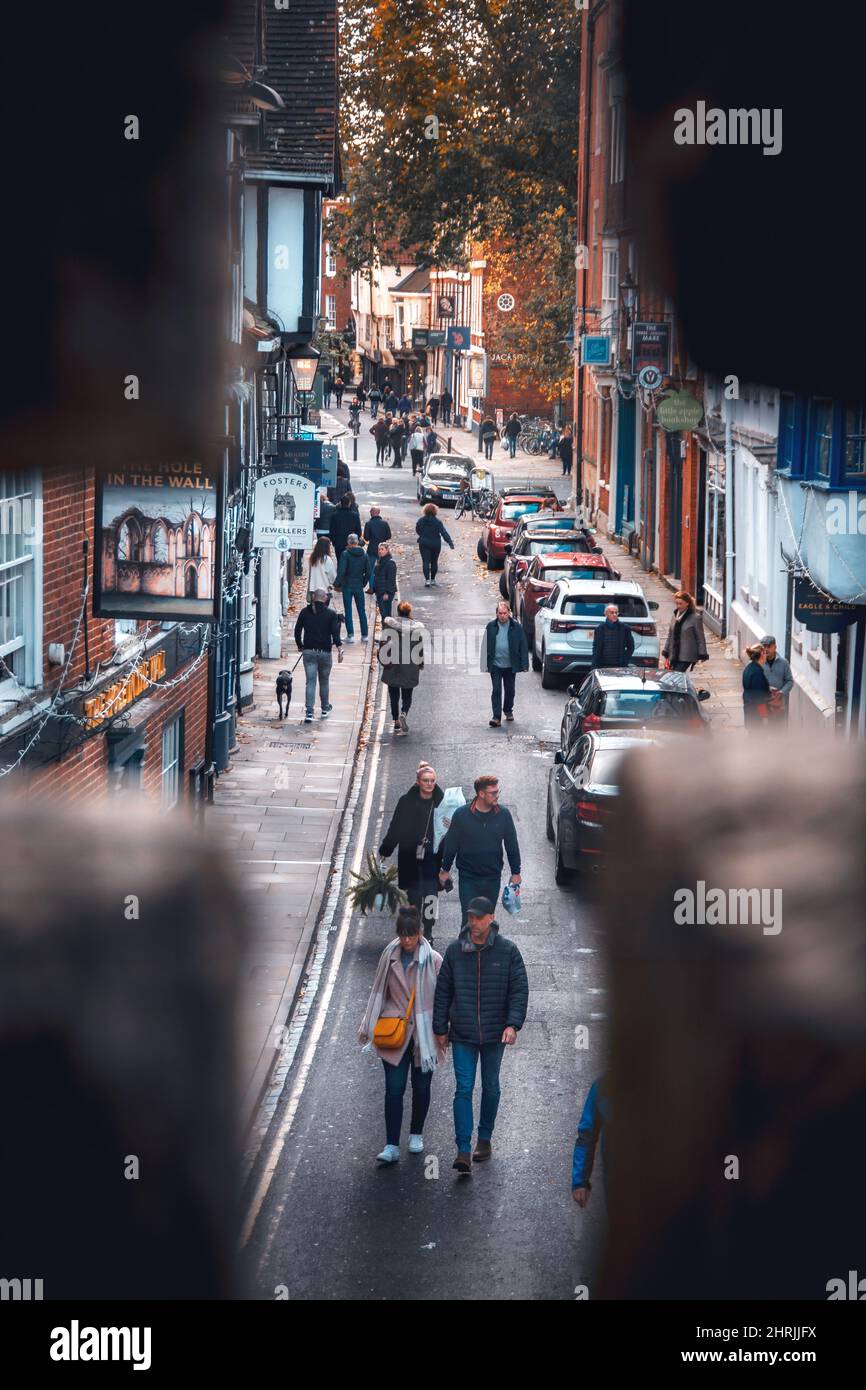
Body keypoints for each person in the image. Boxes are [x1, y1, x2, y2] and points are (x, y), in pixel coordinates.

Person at [432, 897, 529, 1174]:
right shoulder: (453, 952)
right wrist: (441, 1028)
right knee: (463, 1088)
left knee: (490, 1086)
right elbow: (443, 993)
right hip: (462, 1033)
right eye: (470, 917)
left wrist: (512, 1025)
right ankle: (463, 1149)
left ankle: (484, 1139)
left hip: (493, 1034)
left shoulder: (508, 951)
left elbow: (519, 990)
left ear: (491, 918)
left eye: (478, 917)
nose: (473, 922)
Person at [358, 905, 443, 1165]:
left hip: (423, 1036)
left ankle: (415, 1134)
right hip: (394, 1032)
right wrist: (370, 1023)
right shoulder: (388, 956)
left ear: (419, 932)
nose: (407, 940)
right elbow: (378, 992)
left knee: (421, 1086)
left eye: (411, 934)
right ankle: (391, 1144)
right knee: (394, 1089)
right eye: (403, 934)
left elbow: (443, 999)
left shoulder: (435, 960)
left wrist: (443, 1030)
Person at [439, 774, 521, 925]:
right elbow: (452, 844)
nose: (497, 796)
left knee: (487, 920)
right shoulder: (461, 815)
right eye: (493, 793)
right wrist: (445, 869)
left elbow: (511, 844)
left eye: (498, 791)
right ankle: (465, 947)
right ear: (481, 794)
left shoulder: (503, 815)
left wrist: (516, 872)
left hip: (492, 877)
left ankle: (485, 948)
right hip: (468, 878)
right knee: (469, 919)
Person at [379, 763, 444, 941]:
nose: (429, 784)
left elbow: (452, 830)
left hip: (433, 858)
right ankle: (414, 930)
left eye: (432, 781)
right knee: (414, 896)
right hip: (411, 858)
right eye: (425, 780)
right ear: (418, 782)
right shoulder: (406, 802)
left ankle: (429, 930)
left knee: (431, 896)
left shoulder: (442, 802)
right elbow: (396, 827)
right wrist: (386, 848)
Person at [293, 588, 344, 723]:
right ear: (325, 599)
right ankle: (325, 709)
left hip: (309, 651)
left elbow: (297, 630)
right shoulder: (331, 614)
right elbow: (335, 634)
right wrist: (339, 649)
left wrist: (300, 645)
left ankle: (309, 712)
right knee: (324, 681)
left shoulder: (304, 612)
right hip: (325, 653)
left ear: (313, 598)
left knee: (310, 682)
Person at [378, 600, 425, 735]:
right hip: (410, 666)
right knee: (407, 694)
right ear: (409, 612)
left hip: (392, 664)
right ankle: (404, 713)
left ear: (398, 611)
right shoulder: (416, 629)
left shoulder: (389, 625)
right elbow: (419, 649)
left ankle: (395, 721)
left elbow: (383, 643)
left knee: (393, 695)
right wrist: (420, 663)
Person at [484, 600, 529, 726]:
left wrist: (525, 664)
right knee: (496, 690)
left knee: (510, 690)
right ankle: (496, 717)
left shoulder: (516, 627)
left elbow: (523, 645)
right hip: (495, 665)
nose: (502, 616)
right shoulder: (490, 627)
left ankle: (508, 710)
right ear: (496, 614)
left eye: (505, 613)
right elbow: (485, 645)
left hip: (510, 665)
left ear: (509, 613)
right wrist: (484, 664)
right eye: (500, 613)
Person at [572, 1075, 608, 1208]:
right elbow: (587, 1135)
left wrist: (579, 1181)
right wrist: (580, 1181)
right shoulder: (604, 1086)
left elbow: (586, 1135)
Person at [334, 532, 373, 643]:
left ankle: (350, 635)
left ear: (348, 542)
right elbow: (369, 572)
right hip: (358, 585)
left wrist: (337, 583)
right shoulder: (364, 555)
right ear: (357, 542)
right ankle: (364, 635)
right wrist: (363, 583)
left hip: (347, 585)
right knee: (361, 610)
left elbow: (342, 571)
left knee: (348, 610)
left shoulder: (345, 554)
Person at [662, 590, 709, 672]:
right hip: (673, 654)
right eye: (677, 603)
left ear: (687, 603)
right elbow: (670, 636)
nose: (678, 606)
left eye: (680, 603)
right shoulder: (674, 617)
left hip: (687, 655)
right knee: (675, 677)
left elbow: (700, 638)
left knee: (677, 675)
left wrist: (702, 654)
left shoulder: (695, 618)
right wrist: (666, 651)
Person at [415, 502, 454, 587]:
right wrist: (450, 542)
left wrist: (422, 535)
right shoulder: (437, 522)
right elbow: (443, 532)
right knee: (434, 562)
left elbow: (417, 529)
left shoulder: (421, 521)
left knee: (425, 561)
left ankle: (427, 580)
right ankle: (433, 579)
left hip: (424, 542)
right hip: (435, 543)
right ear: (435, 511)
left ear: (425, 510)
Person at [760, 634, 794, 721]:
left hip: (778, 704)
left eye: (768, 646)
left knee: (777, 729)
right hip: (761, 702)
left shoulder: (783, 663)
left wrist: (782, 692)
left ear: (775, 647)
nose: (766, 649)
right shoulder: (757, 663)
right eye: (764, 647)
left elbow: (789, 681)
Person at [591, 602, 635, 668]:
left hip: (619, 666)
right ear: (606, 614)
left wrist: (625, 661)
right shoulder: (600, 629)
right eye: (612, 613)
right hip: (603, 666)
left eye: (616, 612)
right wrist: (594, 666)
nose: (614, 614)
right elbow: (596, 648)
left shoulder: (625, 628)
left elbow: (631, 646)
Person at [742, 642, 772, 732]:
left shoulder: (749, 668)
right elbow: (759, 698)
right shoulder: (757, 673)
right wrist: (764, 717)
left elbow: (751, 688)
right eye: (765, 653)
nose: (766, 656)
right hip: (756, 715)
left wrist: (767, 688)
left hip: (749, 710)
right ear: (762, 654)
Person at [329, 491, 362, 560]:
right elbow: (358, 531)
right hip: (351, 543)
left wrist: (334, 541)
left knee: (340, 560)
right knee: (351, 562)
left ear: (340, 503)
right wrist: (356, 540)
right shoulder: (355, 515)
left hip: (338, 543)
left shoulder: (335, 515)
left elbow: (332, 530)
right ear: (349, 503)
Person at [371, 541, 397, 621]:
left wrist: (386, 593)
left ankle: (388, 632)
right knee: (383, 615)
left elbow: (391, 580)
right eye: (379, 549)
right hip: (379, 591)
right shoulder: (380, 561)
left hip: (385, 593)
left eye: (382, 549)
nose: (380, 551)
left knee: (386, 615)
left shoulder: (390, 563)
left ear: (387, 550)